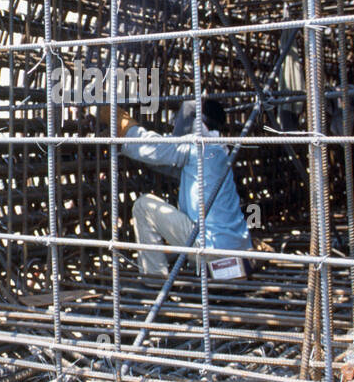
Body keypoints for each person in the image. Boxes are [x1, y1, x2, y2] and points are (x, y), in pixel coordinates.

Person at [104, 97, 253, 282]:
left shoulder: (197, 144)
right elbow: (166, 164)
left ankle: (153, 280)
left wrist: (120, 121)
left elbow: (152, 148)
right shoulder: (220, 151)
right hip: (238, 248)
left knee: (143, 206)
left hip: (212, 248)